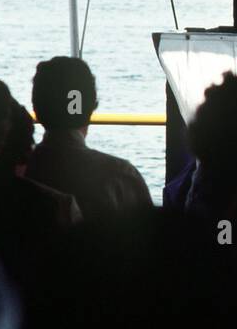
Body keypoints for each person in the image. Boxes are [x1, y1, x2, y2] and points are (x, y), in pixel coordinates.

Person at [26, 56, 152, 223]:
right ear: (92, 105)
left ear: (36, 108)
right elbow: (152, 242)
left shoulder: (17, 174)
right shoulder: (121, 177)